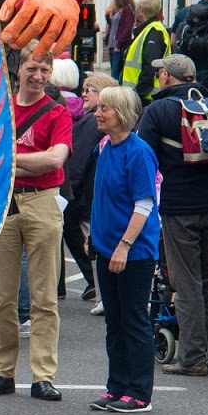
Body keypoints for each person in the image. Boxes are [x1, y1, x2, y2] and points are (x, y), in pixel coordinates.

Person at [0, 53, 72, 402]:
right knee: (1, 297)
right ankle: (2, 372)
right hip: (4, 204)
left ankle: (43, 376)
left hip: (42, 202)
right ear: (18, 69)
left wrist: (7, 161)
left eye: (45, 70)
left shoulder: (58, 111)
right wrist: (28, 163)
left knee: (45, 297)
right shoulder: (0, 106)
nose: (39, 76)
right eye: (33, 68)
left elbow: (55, 159)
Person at [135, 54, 208, 375]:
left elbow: (142, 156)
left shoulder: (158, 110)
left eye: (160, 72)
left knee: (186, 284)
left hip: (179, 209)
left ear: (167, 78)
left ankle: (192, 359)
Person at [89, 86, 161, 413]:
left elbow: (144, 205)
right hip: (108, 250)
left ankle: (139, 393)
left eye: (105, 108)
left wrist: (124, 246)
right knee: (114, 322)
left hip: (133, 252)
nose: (98, 112)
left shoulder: (139, 152)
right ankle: (116, 386)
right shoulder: (104, 146)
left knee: (133, 320)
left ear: (122, 114)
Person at [65, 73, 117, 304]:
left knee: (87, 241)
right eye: (84, 88)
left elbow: (78, 161)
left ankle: (97, 286)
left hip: (84, 196)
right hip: (94, 195)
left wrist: (69, 191)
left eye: (90, 89)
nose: (84, 93)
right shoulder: (105, 123)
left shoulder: (89, 123)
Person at [123, 0, 171, 102]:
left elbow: (150, 68)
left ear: (140, 9)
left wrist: (137, 94)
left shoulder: (154, 32)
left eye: (135, 7)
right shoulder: (151, 30)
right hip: (142, 96)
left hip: (146, 98)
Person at [106, 0, 136, 78]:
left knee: (115, 74)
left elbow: (127, 28)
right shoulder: (118, 10)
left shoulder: (127, 9)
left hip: (118, 46)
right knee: (113, 72)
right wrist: (107, 16)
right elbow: (114, 26)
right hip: (112, 44)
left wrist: (118, 44)